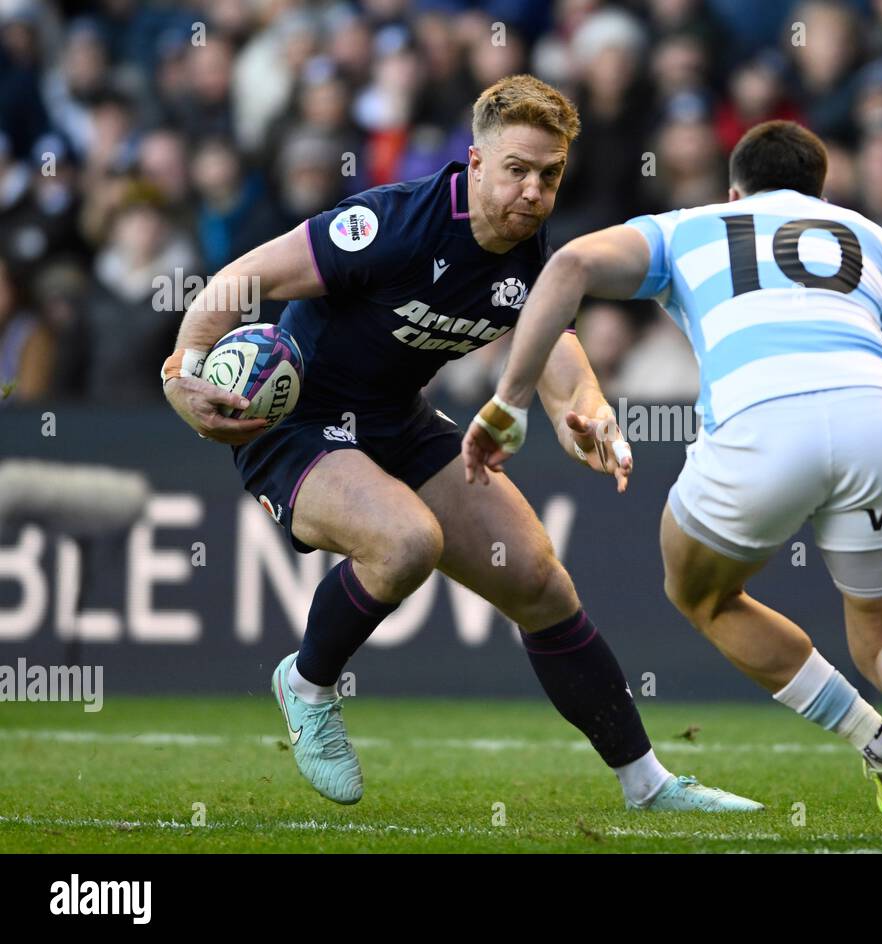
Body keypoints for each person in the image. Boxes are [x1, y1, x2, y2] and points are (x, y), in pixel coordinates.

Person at [161, 74, 759, 813]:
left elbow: (557, 355)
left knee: (540, 583)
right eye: (516, 170)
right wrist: (183, 368)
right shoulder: (391, 224)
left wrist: (592, 412)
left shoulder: (533, 257)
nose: (534, 192)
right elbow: (245, 276)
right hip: (295, 421)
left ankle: (650, 786)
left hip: (396, 418)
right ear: (475, 164)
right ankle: (308, 684)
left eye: (549, 175)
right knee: (405, 541)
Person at [466, 120, 882, 823]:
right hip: (876, 424)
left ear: (734, 191)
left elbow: (567, 264)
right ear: (823, 192)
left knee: (703, 595)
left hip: (760, 423)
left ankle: (876, 743)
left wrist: (509, 402)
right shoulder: (871, 238)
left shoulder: (693, 225)